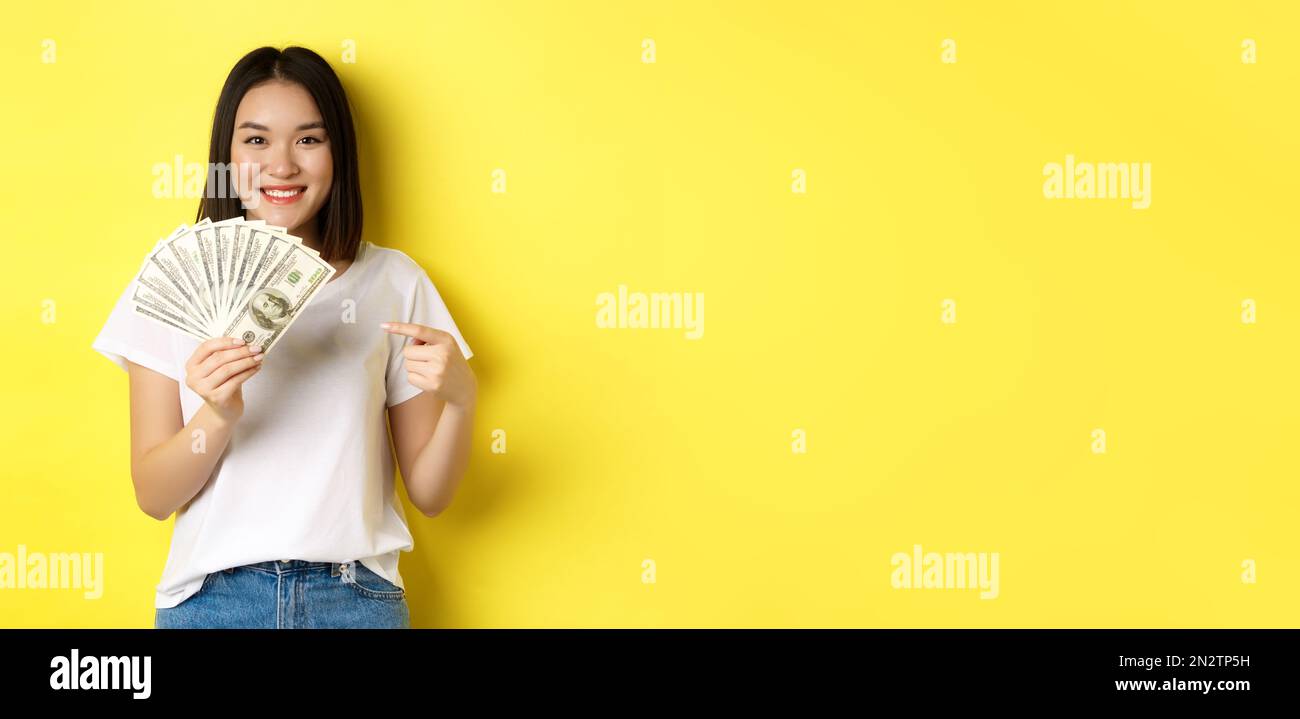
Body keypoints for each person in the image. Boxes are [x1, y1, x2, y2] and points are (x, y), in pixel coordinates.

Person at [91, 46, 478, 628]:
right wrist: (216, 415)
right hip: (212, 603)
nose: (281, 166)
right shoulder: (174, 283)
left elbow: (431, 493)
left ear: (338, 153)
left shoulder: (394, 282)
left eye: (308, 139)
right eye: (255, 141)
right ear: (227, 154)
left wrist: (462, 399)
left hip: (354, 601)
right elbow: (154, 495)